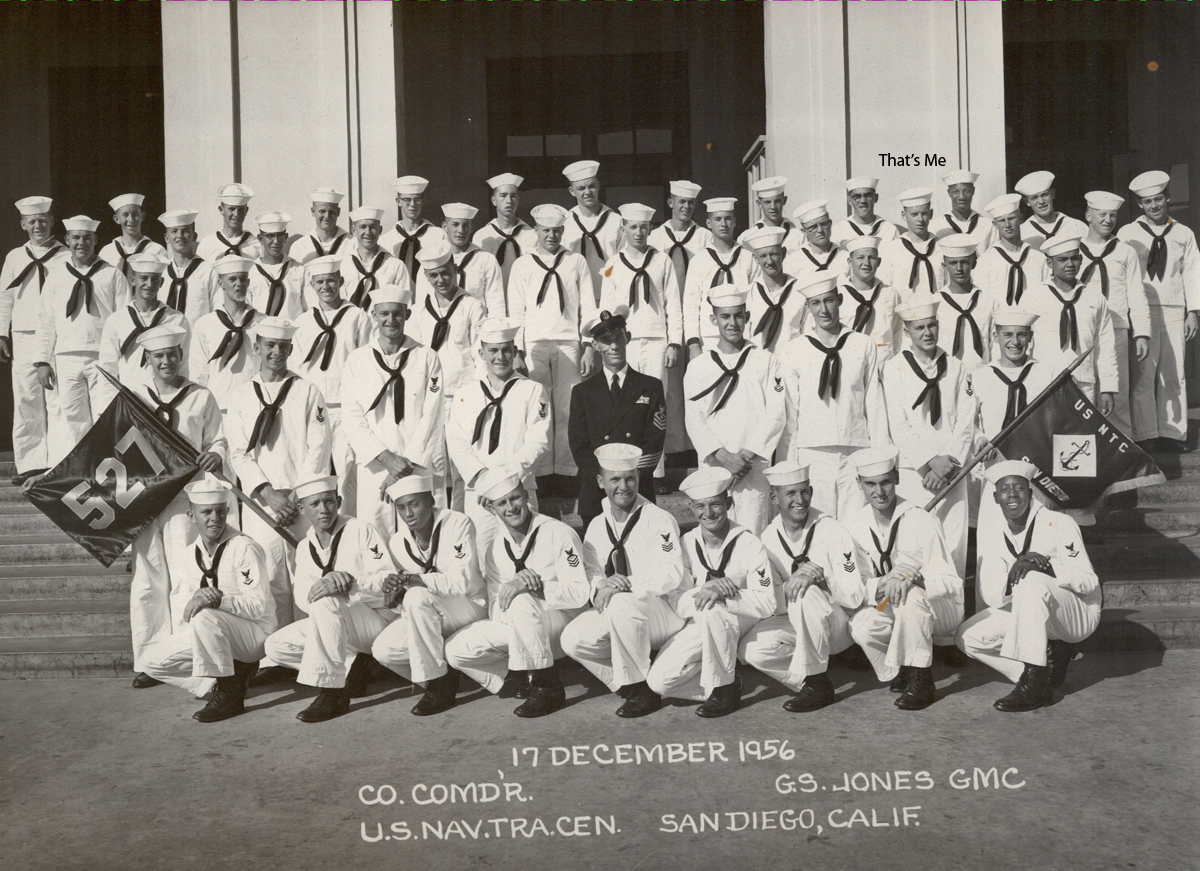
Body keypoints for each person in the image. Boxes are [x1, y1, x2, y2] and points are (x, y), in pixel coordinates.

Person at [227, 316, 332, 684]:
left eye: (283, 347)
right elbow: (238, 453)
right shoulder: (240, 395)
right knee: (269, 579)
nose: (276, 353)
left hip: (300, 502)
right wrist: (268, 493)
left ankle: (311, 654)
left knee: (305, 576)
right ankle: (273, 656)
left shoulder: (307, 391)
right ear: (256, 347)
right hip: (262, 504)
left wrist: (297, 494)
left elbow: (318, 447)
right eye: (269, 346)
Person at [124, 324, 226, 689]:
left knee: (186, 575)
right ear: (147, 360)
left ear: (181, 357)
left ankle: (189, 657)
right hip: (145, 497)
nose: (166, 361)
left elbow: (218, 438)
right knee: (147, 581)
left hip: (187, 498)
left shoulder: (201, 396)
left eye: (172, 355)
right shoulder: (133, 397)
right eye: (158, 356)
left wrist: (215, 453)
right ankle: (151, 660)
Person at [444, 467, 592, 717]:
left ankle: (547, 687)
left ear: (526, 496)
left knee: (522, 599)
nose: (510, 508)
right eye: (501, 503)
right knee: (455, 649)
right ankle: (520, 677)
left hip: (563, 623)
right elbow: (493, 605)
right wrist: (512, 608)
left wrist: (537, 587)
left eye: (514, 498)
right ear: (492, 509)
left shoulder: (558, 532)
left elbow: (580, 594)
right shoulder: (494, 548)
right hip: (521, 625)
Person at [955, 461, 1101, 711]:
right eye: (1004, 490)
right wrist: (1012, 575)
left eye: (1019, 488)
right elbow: (991, 596)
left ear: (1030, 493)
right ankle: (1039, 676)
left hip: (1075, 613)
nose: (1012, 494)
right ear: (995, 497)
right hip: (1028, 610)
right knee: (967, 637)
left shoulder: (1059, 523)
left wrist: (1049, 570)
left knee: (1032, 578)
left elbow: (1089, 582)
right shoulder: (993, 535)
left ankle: (1033, 687)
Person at [560, 444, 687, 717]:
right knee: (573, 638)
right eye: (615, 479)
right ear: (600, 481)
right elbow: (591, 570)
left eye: (630, 478)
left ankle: (642, 688)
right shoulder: (597, 524)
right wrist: (601, 586)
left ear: (638, 479)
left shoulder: (658, 519)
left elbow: (671, 572)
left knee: (620, 603)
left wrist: (626, 584)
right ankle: (625, 683)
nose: (623, 486)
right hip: (624, 611)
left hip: (663, 613)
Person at [261, 474, 396, 722]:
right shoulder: (305, 546)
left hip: (372, 621)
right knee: (275, 646)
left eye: (329, 501)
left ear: (339, 501)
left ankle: (333, 692)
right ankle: (355, 666)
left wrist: (349, 583)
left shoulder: (360, 529)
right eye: (315, 504)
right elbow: (303, 597)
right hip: (333, 620)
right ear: (301, 509)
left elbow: (387, 580)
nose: (324, 510)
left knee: (328, 601)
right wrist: (322, 587)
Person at [140, 475, 274, 722]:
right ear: (192, 516)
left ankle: (230, 695)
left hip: (254, 634)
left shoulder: (244, 547)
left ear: (227, 511)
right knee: (151, 662)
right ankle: (224, 680)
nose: (215, 519)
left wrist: (217, 600)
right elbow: (190, 607)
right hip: (215, 631)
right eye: (206, 513)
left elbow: (257, 608)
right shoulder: (190, 554)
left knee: (206, 616)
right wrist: (200, 601)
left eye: (220, 512)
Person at [646, 466, 775, 717]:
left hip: (740, 618)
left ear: (728, 503)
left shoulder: (749, 542)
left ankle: (723, 689)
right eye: (700, 506)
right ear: (692, 509)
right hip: (699, 617)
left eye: (715, 504)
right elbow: (675, 596)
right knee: (660, 682)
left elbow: (767, 601)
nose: (708, 513)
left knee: (715, 608)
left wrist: (727, 594)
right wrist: (706, 590)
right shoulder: (686, 543)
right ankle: (728, 683)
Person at [738, 461, 867, 712]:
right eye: (790, 493)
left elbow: (854, 595)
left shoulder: (831, 528)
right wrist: (791, 584)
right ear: (774, 498)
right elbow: (771, 603)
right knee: (752, 650)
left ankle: (818, 685)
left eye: (804, 491)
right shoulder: (767, 538)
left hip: (839, 626)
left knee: (807, 592)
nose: (800, 500)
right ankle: (807, 679)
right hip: (800, 621)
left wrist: (822, 582)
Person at [843, 447, 964, 711]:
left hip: (938, 610)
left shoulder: (921, 519)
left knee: (910, 595)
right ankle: (899, 667)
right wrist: (884, 582)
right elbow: (853, 587)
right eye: (870, 484)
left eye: (886, 482)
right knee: (862, 625)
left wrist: (916, 579)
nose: (879, 492)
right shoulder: (854, 525)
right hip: (893, 604)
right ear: (859, 485)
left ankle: (922, 677)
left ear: (897, 478)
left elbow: (952, 582)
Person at [371, 475, 487, 716]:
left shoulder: (457, 523)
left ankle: (438, 686)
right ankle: (444, 673)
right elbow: (409, 603)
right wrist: (393, 598)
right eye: (401, 508)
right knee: (385, 650)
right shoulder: (397, 542)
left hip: (469, 606)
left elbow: (461, 583)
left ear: (431, 501)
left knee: (416, 596)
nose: (408, 514)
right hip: (431, 612)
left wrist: (412, 582)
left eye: (414, 504)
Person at [779, 273, 889, 520]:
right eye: (816, 303)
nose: (824, 310)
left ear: (839, 299)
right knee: (820, 524)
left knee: (858, 525)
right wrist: (791, 466)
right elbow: (790, 415)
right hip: (812, 453)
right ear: (808, 307)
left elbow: (875, 404)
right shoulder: (794, 351)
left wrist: (879, 459)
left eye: (829, 300)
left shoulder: (862, 344)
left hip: (856, 449)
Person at [445, 318, 551, 569]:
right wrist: (484, 480)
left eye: (506, 350)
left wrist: (503, 483)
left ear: (515, 352)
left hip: (519, 492)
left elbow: (539, 441)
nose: (500, 357)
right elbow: (457, 442)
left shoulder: (532, 390)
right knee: (483, 562)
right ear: (481, 353)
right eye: (493, 350)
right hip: (479, 496)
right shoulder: (465, 394)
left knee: (528, 560)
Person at [340, 283, 445, 535]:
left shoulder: (427, 357)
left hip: (417, 462)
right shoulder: (357, 360)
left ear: (407, 315)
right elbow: (352, 419)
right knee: (377, 534)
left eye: (397, 313)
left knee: (423, 531)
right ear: (374, 316)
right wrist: (387, 459)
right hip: (375, 467)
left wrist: (405, 466)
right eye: (384, 313)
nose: (391, 320)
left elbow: (433, 415)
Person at [881, 301, 974, 579]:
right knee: (915, 547)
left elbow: (965, 421)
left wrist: (948, 466)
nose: (927, 333)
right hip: (915, 474)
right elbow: (898, 425)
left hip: (953, 473)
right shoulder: (894, 369)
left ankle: (953, 614)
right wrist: (929, 463)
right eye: (919, 328)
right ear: (908, 331)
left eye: (931, 325)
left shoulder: (957, 367)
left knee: (954, 546)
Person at [683, 285, 786, 535]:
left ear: (747, 317)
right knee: (716, 535)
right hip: (714, 464)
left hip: (752, 468)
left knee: (754, 534)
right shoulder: (699, 366)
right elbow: (694, 418)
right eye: (725, 316)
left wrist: (745, 457)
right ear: (713, 319)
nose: (732, 323)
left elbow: (776, 414)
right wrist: (724, 457)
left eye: (738, 315)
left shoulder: (766, 360)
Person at [34, 215, 131, 464]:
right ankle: (79, 473)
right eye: (75, 238)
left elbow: (124, 320)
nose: (81, 243)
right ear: (67, 240)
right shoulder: (56, 276)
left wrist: (123, 361)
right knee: (72, 419)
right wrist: (43, 361)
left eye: (87, 238)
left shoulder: (112, 275)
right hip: (65, 357)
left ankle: (106, 471)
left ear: (95, 240)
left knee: (104, 416)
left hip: (103, 357)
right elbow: (46, 321)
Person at [509, 203, 595, 483]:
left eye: (557, 231)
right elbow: (516, 310)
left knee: (568, 408)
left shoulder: (576, 261)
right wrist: (518, 351)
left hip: (568, 342)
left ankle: (568, 471)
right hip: (535, 344)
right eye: (546, 231)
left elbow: (587, 305)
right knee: (539, 408)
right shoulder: (523, 264)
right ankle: (543, 472)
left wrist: (588, 345)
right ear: (535, 230)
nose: (552, 236)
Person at [598, 202, 682, 486]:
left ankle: (655, 472)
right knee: (627, 405)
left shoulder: (662, 261)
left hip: (657, 340)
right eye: (633, 227)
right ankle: (626, 469)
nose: (639, 232)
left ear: (651, 229)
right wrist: (611, 345)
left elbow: (674, 304)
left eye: (644, 227)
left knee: (655, 405)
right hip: (626, 343)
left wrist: (675, 343)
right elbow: (605, 309)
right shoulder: (612, 265)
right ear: (623, 229)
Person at [1118, 170, 1200, 451]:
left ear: (1168, 199)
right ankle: (1146, 434)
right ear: (1140, 205)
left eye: (1158, 199)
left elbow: (1192, 273)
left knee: (1173, 372)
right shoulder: (1127, 233)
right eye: (1147, 201)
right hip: (1141, 312)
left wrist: (1194, 312)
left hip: (1175, 309)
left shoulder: (1183, 233)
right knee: (1143, 374)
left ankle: (1173, 434)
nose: (1154, 206)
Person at [568, 308, 666, 529]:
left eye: (618, 338)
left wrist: (628, 479)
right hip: (597, 491)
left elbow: (655, 438)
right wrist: (605, 479)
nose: (613, 346)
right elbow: (578, 444)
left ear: (627, 338)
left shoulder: (650, 386)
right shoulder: (582, 392)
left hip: (637, 488)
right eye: (605, 341)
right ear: (595, 346)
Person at [292, 254, 374, 514]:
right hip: (313, 409)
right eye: (319, 282)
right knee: (314, 468)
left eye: (330, 281)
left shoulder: (357, 318)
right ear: (312, 286)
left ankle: (348, 523)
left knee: (347, 469)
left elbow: (367, 363)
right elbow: (296, 368)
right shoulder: (303, 322)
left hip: (344, 406)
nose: (326, 287)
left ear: (340, 281)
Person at [408, 237, 486, 509]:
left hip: (463, 394)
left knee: (464, 461)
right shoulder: (419, 311)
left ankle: (467, 516)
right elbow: (415, 359)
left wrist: (479, 393)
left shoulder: (472, 305)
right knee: (435, 462)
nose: (441, 280)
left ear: (455, 269)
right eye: (434, 276)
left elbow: (480, 353)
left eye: (445, 273)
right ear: (426, 277)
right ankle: (440, 518)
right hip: (431, 397)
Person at [0, 196, 68, 483]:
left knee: (56, 398)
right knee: (27, 398)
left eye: (43, 220)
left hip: (55, 335)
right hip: (25, 335)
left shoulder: (65, 255)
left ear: (51, 221)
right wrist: (2, 331)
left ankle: (56, 462)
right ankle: (29, 463)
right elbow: (5, 297)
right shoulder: (15, 257)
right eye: (32, 221)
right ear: (23, 225)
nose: (38, 225)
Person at [1080, 190, 1151, 436]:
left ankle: (1122, 449)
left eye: (1112, 215)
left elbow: (1136, 294)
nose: (1107, 220)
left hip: (1118, 328)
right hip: (1083, 329)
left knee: (1117, 390)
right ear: (1088, 215)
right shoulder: (1073, 251)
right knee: (1085, 388)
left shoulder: (1125, 252)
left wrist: (1141, 333)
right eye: (1102, 215)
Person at [1024, 232, 1118, 413]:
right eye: (1062, 259)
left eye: (1074, 258)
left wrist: (1108, 388)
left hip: (1084, 382)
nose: (1069, 264)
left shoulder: (1095, 298)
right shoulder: (1033, 297)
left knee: (1082, 438)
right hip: (1044, 382)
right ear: (1050, 263)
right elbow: (1025, 343)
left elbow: (1105, 346)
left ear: (1081, 260)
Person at [96, 252, 190, 408]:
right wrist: (108, 408)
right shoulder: (116, 320)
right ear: (133, 280)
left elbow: (184, 364)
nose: (149, 284)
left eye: (155, 279)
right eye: (143, 278)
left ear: (162, 282)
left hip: (166, 401)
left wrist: (181, 401)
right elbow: (108, 367)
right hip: (130, 400)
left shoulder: (176, 319)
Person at [188, 255, 262, 413]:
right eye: (232, 279)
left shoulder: (261, 323)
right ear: (221, 283)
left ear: (248, 282)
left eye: (243, 279)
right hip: (218, 408)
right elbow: (198, 372)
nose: (238, 284)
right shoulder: (205, 324)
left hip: (253, 406)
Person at [683, 197, 757, 354]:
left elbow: (755, 300)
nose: (723, 224)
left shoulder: (747, 257)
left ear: (735, 221)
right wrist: (693, 343)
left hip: (742, 334)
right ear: (709, 223)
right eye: (717, 219)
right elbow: (691, 304)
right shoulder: (699, 260)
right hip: (708, 336)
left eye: (728, 219)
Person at [416, 202, 504, 317]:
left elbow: (496, 304)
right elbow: (422, 302)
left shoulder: (486, 260)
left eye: (466, 225)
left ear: (472, 228)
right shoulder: (430, 259)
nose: (461, 230)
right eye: (455, 224)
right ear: (444, 226)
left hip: (477, 326)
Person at [561, 160, 622, 303]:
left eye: (592, 186)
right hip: (574, 295)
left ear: (598, 186)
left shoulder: (616, 221)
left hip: (609, 294)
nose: (587, 192)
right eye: (581, 188)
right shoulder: (565, 222)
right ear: (572, 191)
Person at [472, 172, 538, 298]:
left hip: (523, 299)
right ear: (493, 200)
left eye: (513, 196)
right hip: (493, 300)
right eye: (503, 196)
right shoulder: (482, 236)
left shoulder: (531, 235)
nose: (509, 201)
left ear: (518, 199)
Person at [976, 193, 1048, 308]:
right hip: (1000, 323)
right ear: (995, 224)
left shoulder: (1038, 258)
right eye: (1002, 221)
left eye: (1011, 218)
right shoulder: (985, 261)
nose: (1007, 225)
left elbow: (1045, 297)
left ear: (1020, 219)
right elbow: (983, 303)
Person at [935, 233, 995, 370]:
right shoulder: (936, 303)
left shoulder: (988, 302)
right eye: (953, 263)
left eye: (964, 262)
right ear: (944, 264)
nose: (959, 269)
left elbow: (994, 345)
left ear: (973, 263)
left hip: (981, 373)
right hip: (947, 375)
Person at [841, 235, 901, 362]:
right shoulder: (839, 293)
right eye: (860, 257)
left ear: (879, 262)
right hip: (849, 363)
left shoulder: (889, 293)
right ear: (850, 262)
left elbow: (897, 333)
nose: (866, 263)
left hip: (883, 363)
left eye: (871, 258)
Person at [744, 226, 803, 353]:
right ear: (756, 259)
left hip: (793, 363)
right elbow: (745, 337)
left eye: (774, 254)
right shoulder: (749, 294)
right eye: (763, 256)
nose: (769, 261)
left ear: (783, 253)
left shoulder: (799, 291)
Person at [340, 207, 408, 310]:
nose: (368, 232)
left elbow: (405, 305)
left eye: (373, 227)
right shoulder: (343, 264)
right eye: (362, 227)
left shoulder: (395, 265)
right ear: (354, 231)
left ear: (380, 230)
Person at [880, 188, 941, 298]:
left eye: (924, 214)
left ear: (931, 214)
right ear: (904, 215)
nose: (920, 219)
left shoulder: (941, 247)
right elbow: (886, 291)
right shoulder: (891, 249)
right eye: (914, 214)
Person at [160, 209, 216, 327]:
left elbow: (216, 310)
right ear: (166, 238)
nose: (179, 236)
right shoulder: (161, 271)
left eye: (185, 231)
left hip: (196, 340)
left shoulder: (208, 271)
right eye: (174, 231)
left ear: (194, 236)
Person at [380, 175, 441, 282]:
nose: (412, 205)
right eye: (407, 200)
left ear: (423, 201)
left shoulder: (438, 236)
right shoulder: (386, 240)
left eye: (417, 200)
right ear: (398, 201)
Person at [247, 211, 305, 320]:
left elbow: (309, 308)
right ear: (260, 239)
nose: (276, 241)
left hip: (292, 332)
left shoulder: (299, 269)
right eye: (270, 236)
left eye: (280, 236)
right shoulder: (250, 271)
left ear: (286, 237)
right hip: (261, 332)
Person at [98, 193, 166, 281]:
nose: (131, 220)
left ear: (143, 216)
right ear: (117, 219)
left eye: (136, 214)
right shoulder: (107, 252)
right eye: (125, 215)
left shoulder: (157, 250)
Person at [1014, 171, 1087, 251]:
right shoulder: (1022, 232)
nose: (1041, 202)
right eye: (1034, 198)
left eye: (1044, 195)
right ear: (1027, 202)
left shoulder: (1077, 226)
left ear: (1052, 194)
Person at [929, 170, 997, 253]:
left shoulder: (988, 225)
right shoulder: (936, 227)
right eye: (955, 192)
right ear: (949, 193)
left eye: (967, 191)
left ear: (973, 191)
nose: (961, 197)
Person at [830, 177, 900, 250]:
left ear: (876, 198)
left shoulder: (889, 229)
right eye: (857, 196)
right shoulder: (838, 231)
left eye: (868, 195)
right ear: (849, 200)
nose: (863, 201)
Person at [197, 183, 261, 261]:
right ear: (221, 210)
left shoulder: (256, 245)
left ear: (246, 211)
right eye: (231, 209)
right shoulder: (207, 245)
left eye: (241, 209)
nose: (236, 214)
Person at [784, 200, 846, 278]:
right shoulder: (793, 261)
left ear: (830, 223)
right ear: (804, 231)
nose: (820, 230)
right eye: (813, 227)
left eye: (824, 224)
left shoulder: (845, 257)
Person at [287, 188, 348, 264]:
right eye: (322, 211)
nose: (327, 216)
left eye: (332, 212)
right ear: (313, 211)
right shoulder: (299, 246)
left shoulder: (352, 243)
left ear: (338, 212)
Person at [747, 176, 801, 251]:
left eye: (777, 201)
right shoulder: (749, 237)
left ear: (784, 200)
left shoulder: (797, 235)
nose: (773, 207)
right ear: (759, 204)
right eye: (767, 202)